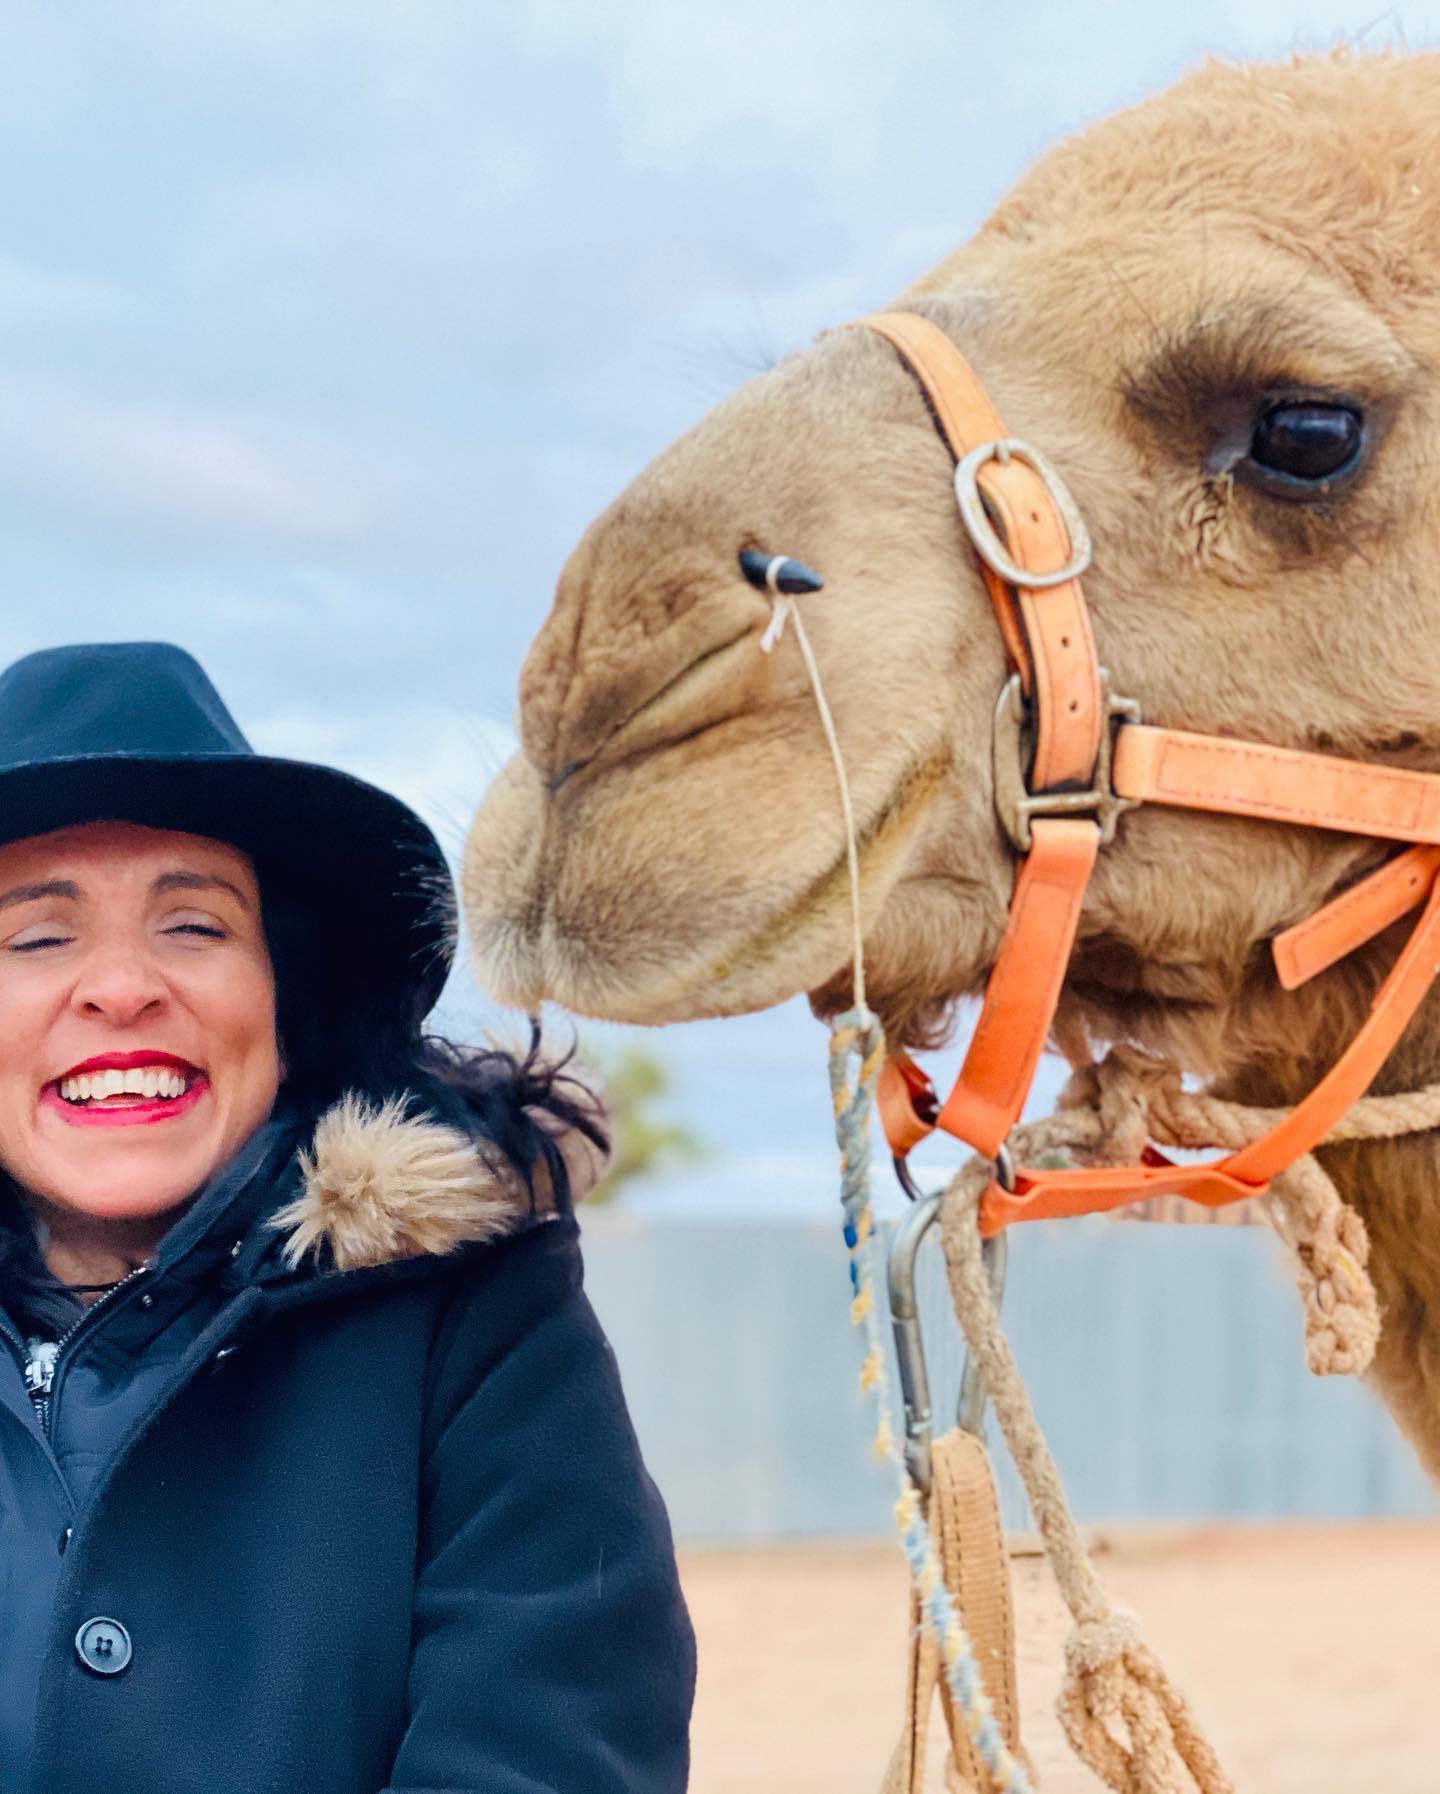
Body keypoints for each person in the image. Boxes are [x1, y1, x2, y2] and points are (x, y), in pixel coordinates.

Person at [0, 640, 695, 1794]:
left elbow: (552, 1755)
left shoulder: (480, 1327)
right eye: (36, 937)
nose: (121, 986)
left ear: (288, 998)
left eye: (194, 926)